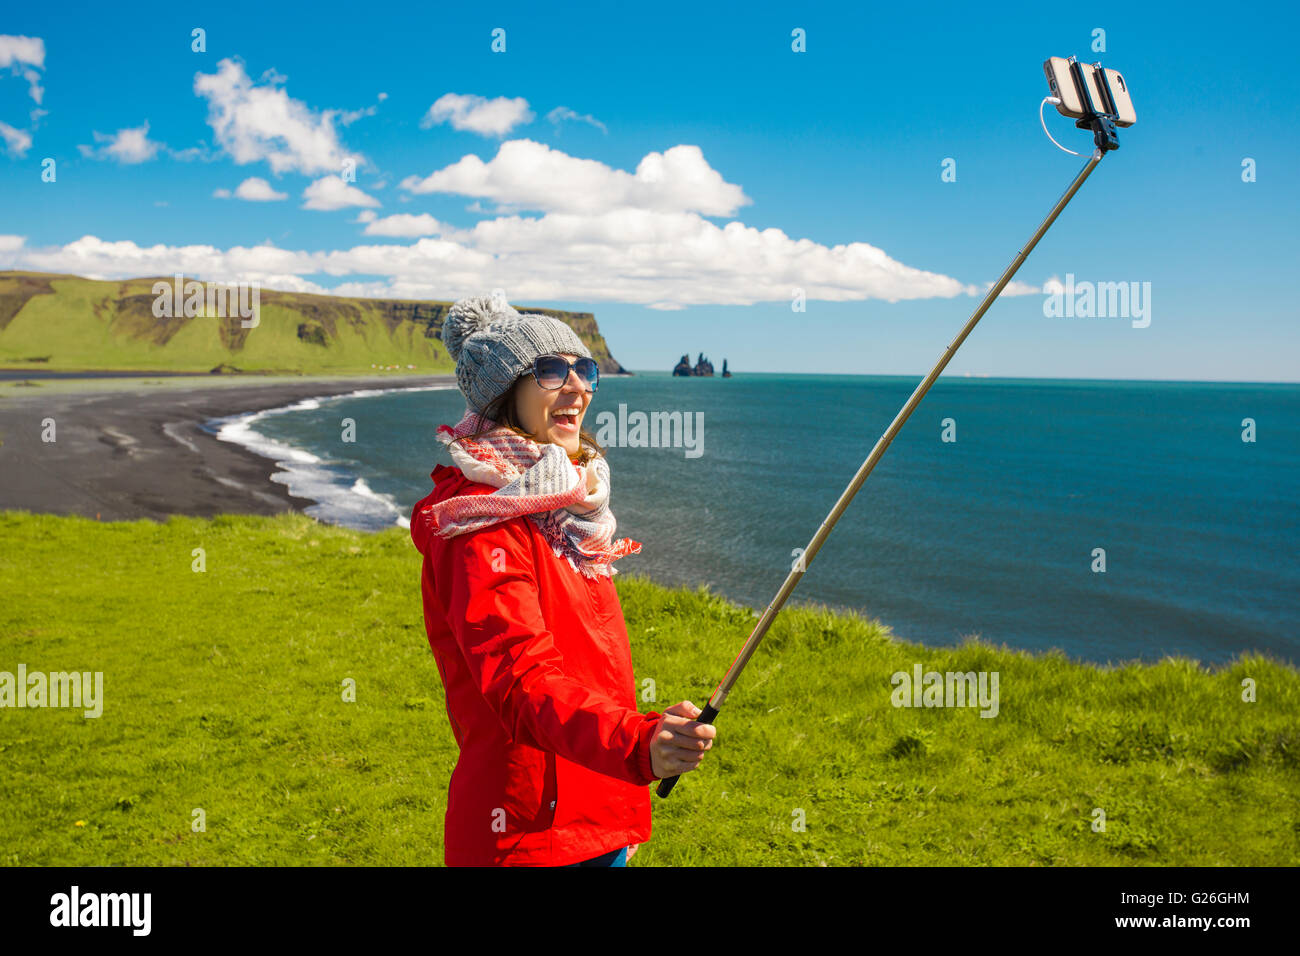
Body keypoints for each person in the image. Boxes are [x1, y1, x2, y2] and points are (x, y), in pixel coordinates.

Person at [409, 291, 717, 867]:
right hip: (530, 831)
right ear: (505, 394)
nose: (578, 387)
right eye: (551, 371)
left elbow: (582, 667)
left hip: (596, 808)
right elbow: (520, 680)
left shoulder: (567, 508)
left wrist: (644, 732)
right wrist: (635, 741)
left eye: (586, 370)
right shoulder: (481, 524)